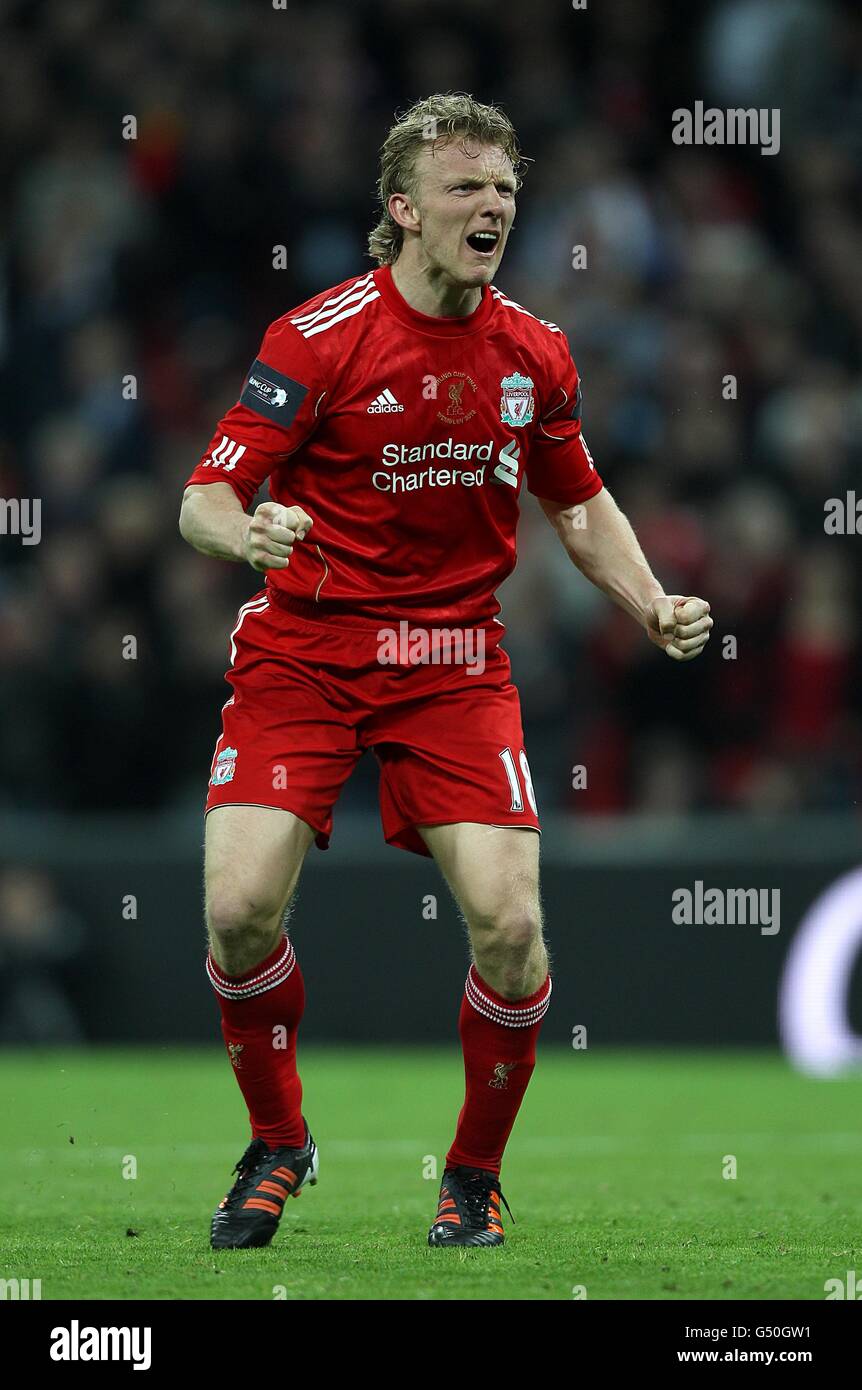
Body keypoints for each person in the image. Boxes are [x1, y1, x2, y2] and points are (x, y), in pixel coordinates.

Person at [179, 93, 712, 1251]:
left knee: (512, 929)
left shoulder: (533, 353)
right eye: (466, 188)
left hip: (451, 660)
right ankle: (279, 1140)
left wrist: (650, 596)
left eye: (505, 190)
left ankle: (471, 1175)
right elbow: (204, 497)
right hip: (307, 649)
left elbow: (577, 506)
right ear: (402, 209)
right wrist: (249, 536)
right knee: (234, 912)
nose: (492, 207)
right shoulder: (317, 337)